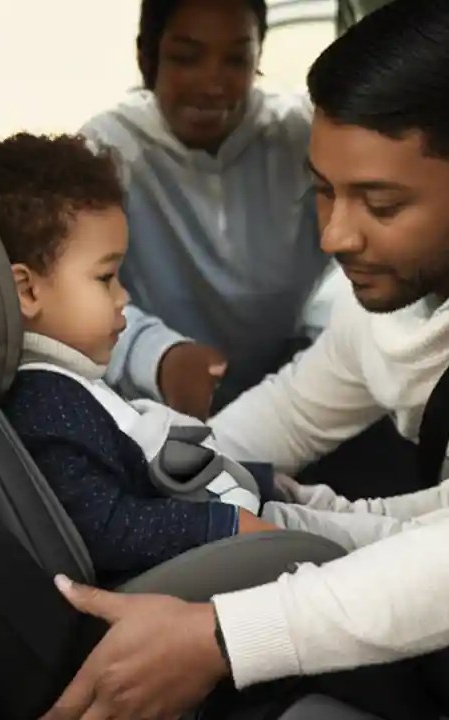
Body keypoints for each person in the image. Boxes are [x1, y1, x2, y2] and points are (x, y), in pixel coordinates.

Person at [41, 2, 449, 718]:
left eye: (378, 205)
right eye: (323, 191)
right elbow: (298, 408)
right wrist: (147, 486)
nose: (333, 236)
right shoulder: (412, 258)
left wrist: (225, 637)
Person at [0, 132, 283, 584]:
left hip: (237, 508)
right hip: (212, 563)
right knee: (359, 541)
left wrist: (263, 483)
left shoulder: (69, 384)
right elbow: (104, 527)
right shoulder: (46, 403)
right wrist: (222, 525)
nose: (123, 296)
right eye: (106, 277)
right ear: (27, 290)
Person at [83, 0, 333, 419]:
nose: (213, 84)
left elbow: (350, 264)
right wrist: (158, 356)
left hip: (306, 384)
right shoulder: (107, 151)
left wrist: (323, 345)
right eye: (187, 58)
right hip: (160, 404)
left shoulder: (299, 136)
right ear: (147, 56)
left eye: (236, 59)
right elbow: (74, 290)